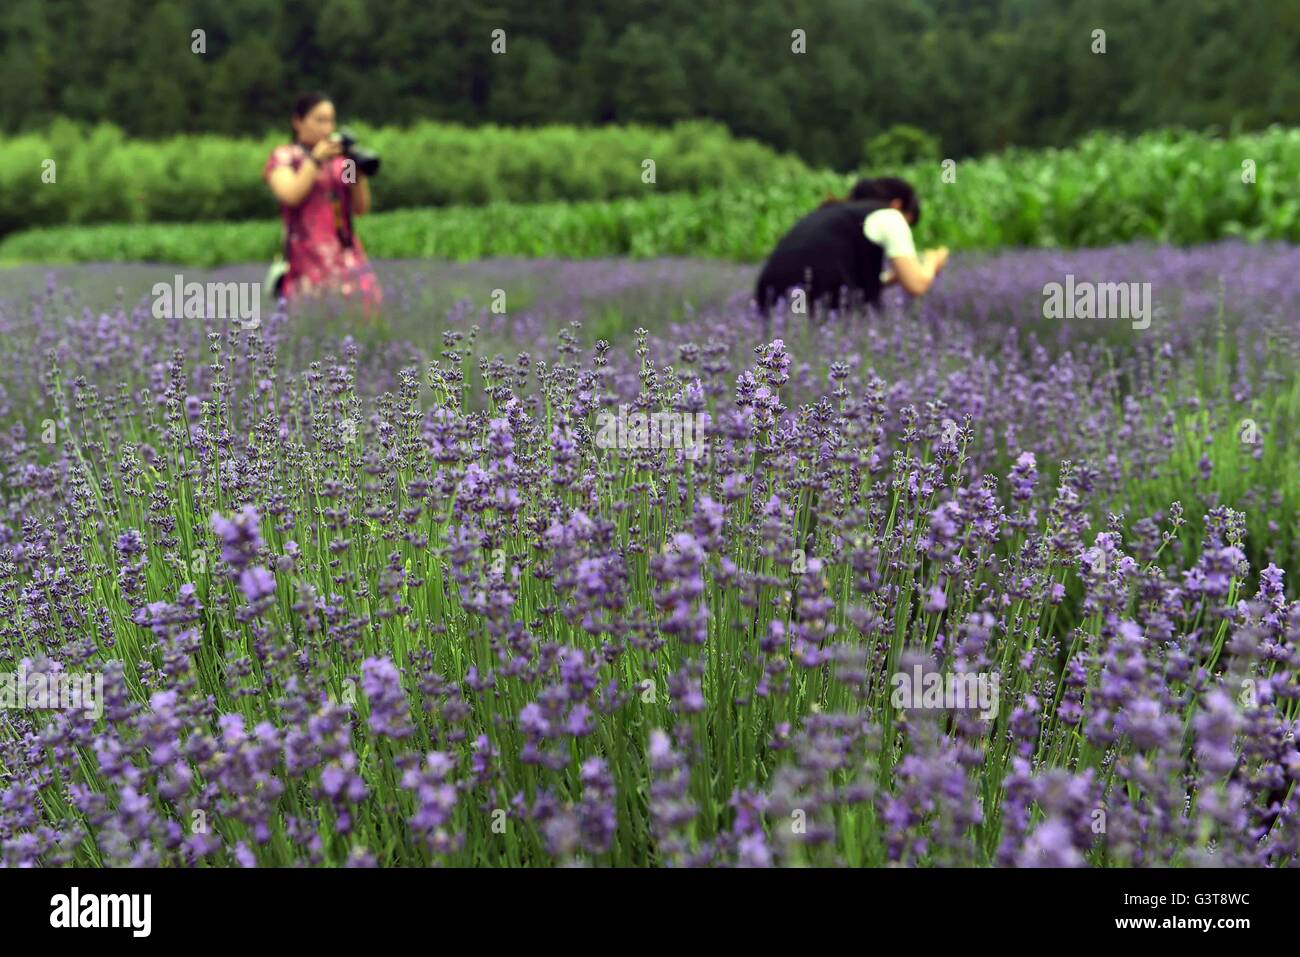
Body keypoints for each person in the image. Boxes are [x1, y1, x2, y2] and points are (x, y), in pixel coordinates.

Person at [754, 177, 947, 323]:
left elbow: (847, 278)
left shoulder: (829, 213)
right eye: (908, 222)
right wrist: (932, 262)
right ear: (897, 204)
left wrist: (894, 276)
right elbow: (916, 286)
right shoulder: (890, 215)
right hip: (823, 306)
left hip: (769, 302)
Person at [263, 91, 382, 314]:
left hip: (345, 253)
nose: (327, 128)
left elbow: (360, 207)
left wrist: (355, 166)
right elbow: (291, 194)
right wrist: (315, 160)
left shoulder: (340, 163)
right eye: (319, 120)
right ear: (298, 122)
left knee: (363, 314)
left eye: (330, 120)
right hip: (305, 254)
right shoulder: (285, 157)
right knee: (314, 318)